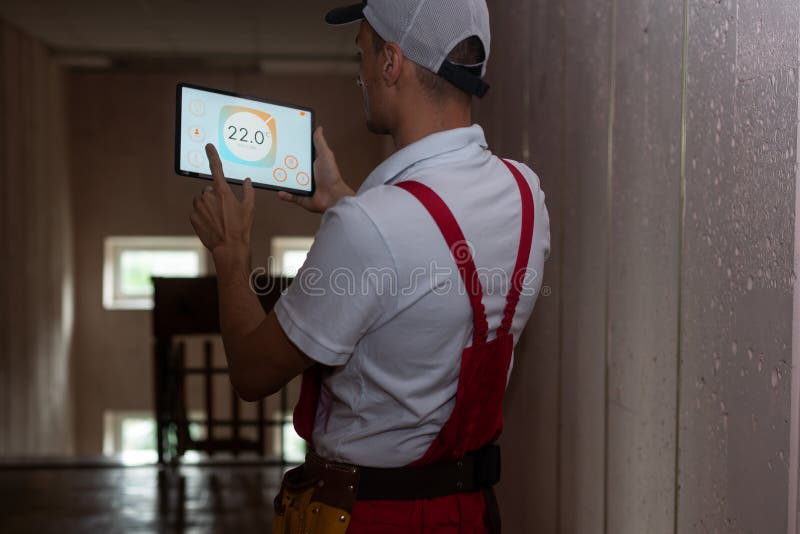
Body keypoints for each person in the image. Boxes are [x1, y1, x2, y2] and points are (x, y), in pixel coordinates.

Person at [189, 0, 551, 531]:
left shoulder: (369, 229)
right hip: (469, 511)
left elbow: (250, 372)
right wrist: (346, 203)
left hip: (369, 516)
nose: (358, 73)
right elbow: (430, 270)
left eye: (361, 53)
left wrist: (229, 252)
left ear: (391, 63)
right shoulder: (527, 194)